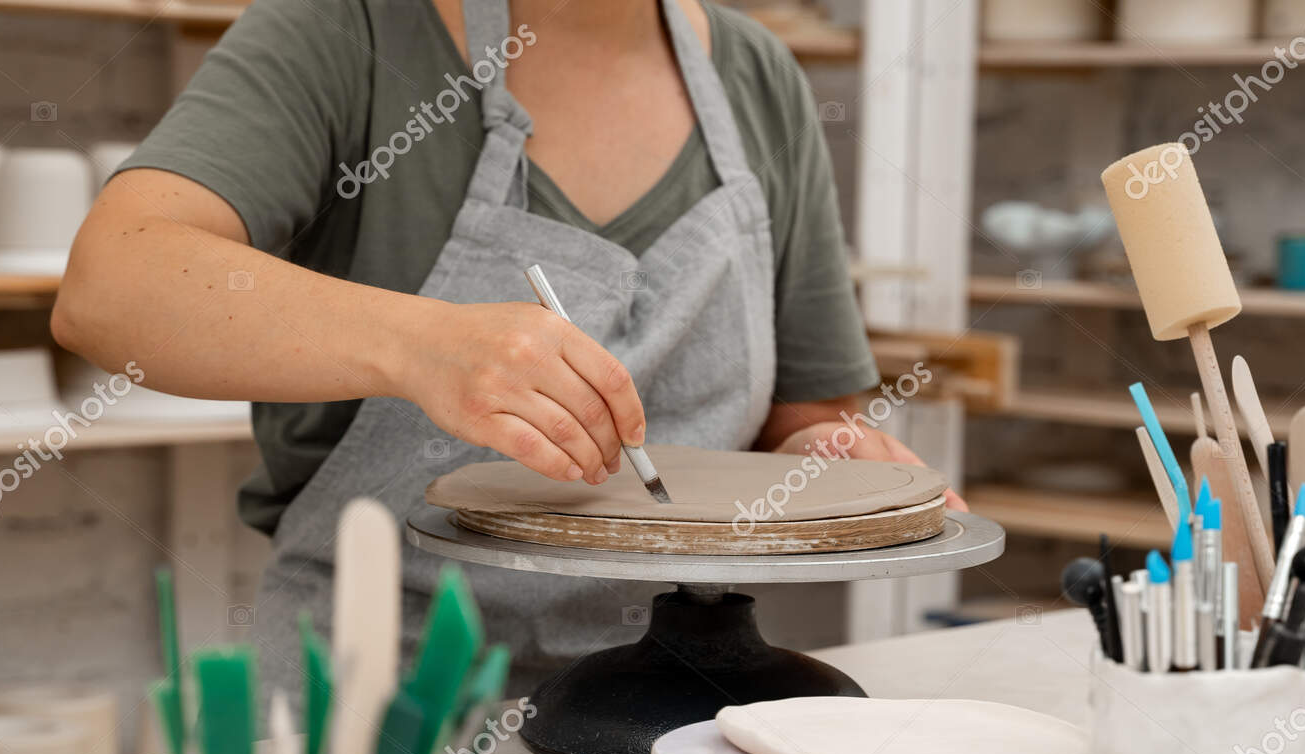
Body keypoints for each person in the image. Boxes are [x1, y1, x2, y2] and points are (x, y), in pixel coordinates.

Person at [54, 0, 961, 692]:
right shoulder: (351, 26)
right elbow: (113, 286)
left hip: (669, 709)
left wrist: (821, 457)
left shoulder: (759, 78)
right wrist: (423, 344)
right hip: (377, 714)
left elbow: (800, 418)